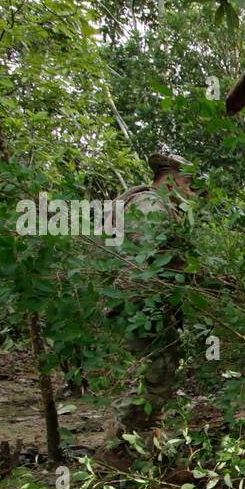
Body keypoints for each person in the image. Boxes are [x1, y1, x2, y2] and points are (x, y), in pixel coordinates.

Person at [95, 153, 196, 467]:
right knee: (160, 370)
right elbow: (152, 256)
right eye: (189, 184)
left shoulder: (153, 205)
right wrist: (199, 278)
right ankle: (116, 447)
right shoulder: (150, 205)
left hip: (144, 302)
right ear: (171, 178)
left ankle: (144, 445)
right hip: (141, 303)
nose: (191, 194)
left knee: (161, 369)